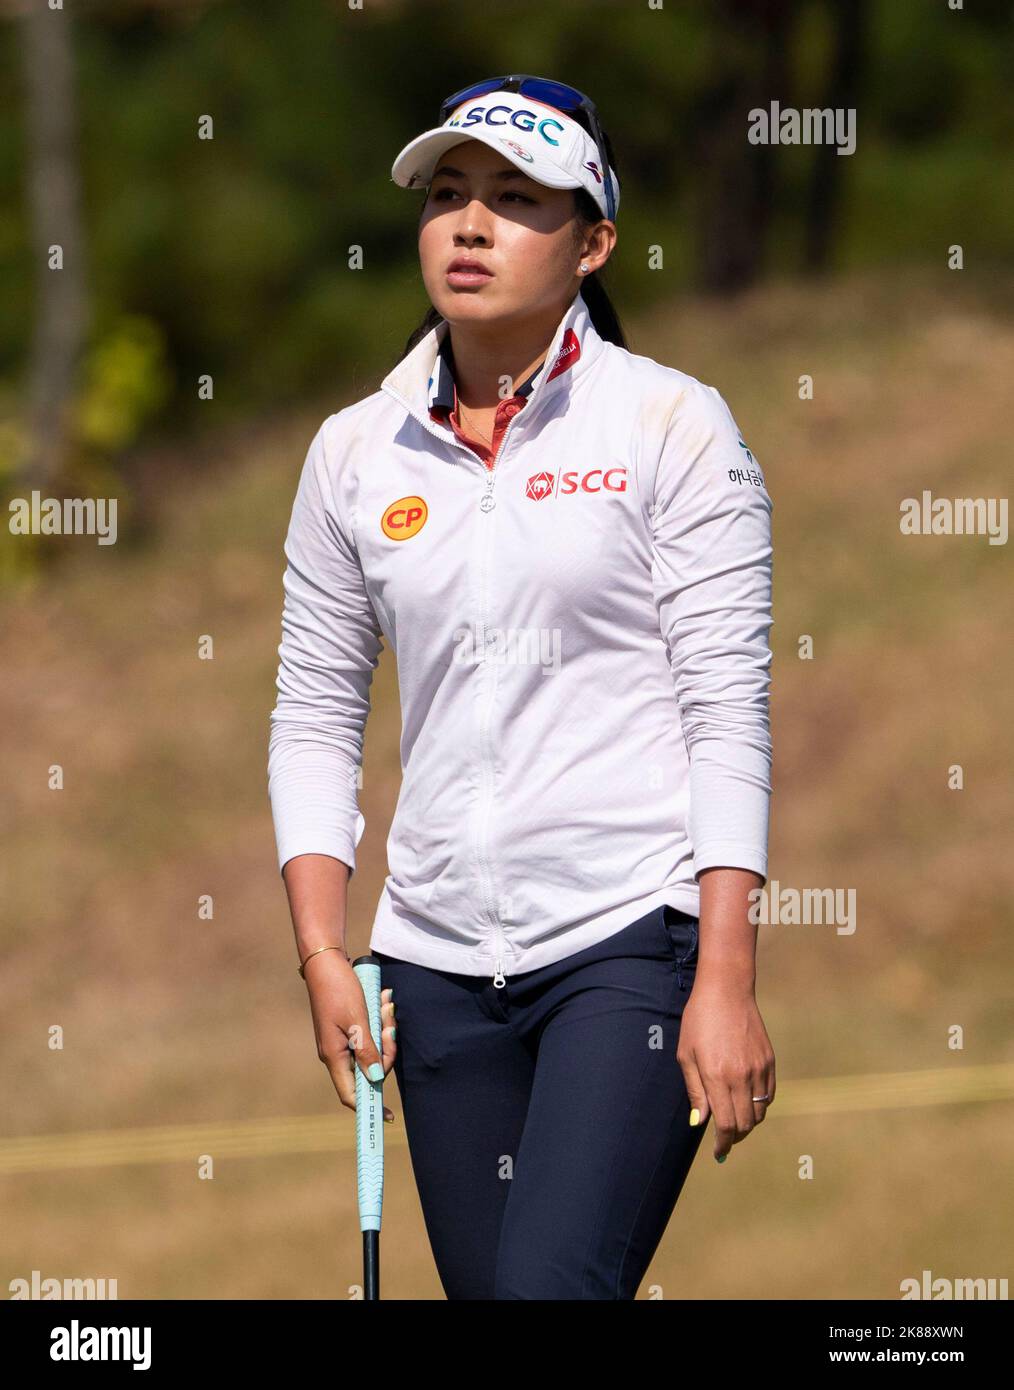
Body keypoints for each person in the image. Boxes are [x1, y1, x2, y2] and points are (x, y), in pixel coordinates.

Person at [267, 75, 776, 1300]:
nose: (470, 224)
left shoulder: (672, 424)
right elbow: (316, 710)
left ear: (594, 242)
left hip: (626, 945)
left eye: (515, 199)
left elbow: (728, 707)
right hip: (434, 968)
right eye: (449, 196)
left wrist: (727, 977)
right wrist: (323, 952)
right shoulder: (352, 450)